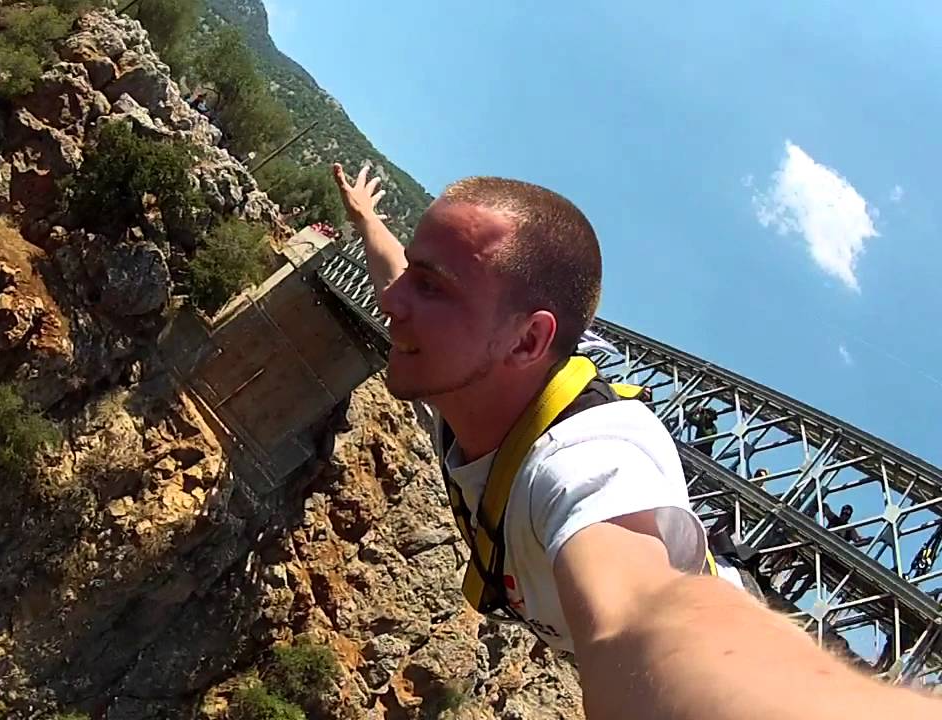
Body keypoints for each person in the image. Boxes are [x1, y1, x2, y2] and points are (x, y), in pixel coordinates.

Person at [329, 162, 940, 720]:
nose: (392, 301)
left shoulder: (583, 461)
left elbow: (640, 615)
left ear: (527, 341)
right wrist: (366, 219)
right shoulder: (462, 375)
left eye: (432, 287)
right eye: (414, 276)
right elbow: (391, 272)